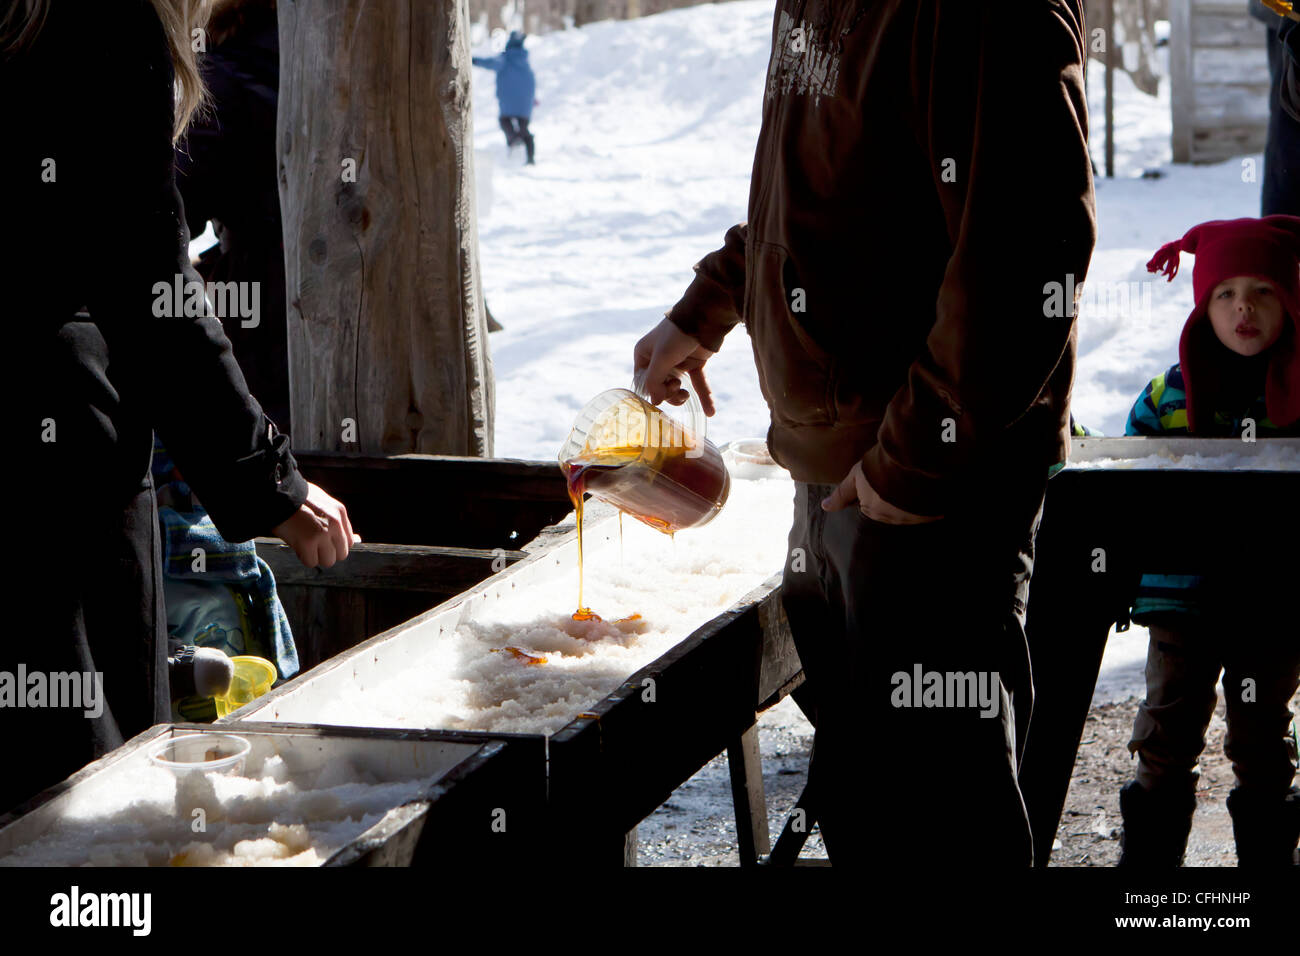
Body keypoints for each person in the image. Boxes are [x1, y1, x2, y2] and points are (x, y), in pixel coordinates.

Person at [634, 1, 1096, 865]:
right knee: (867, 806)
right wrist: (710, 305)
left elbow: (1031, 244)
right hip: (839, 471)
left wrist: (918, 462)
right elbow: (821, 192)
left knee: (936, 819)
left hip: (930, 495)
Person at [0, 0, 356, 816]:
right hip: (51, 480)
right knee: (78, 808)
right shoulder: (93, 21)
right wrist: (271, 484)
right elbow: (149, 284)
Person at [1118, 215, 1300, 867]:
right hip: (1182, 607)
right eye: (1225, 292)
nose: (1243, 307)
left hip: (1274, 607)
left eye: (1263, 291)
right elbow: (1129, 488)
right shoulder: (1167, 399)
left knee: (1261, 744)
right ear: (1203, 303)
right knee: (1166, 733)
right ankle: (1147, 877)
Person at [176, 0, 292, 434]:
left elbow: (163, 213)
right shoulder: (307, 53)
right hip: (330, 293)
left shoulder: (224, 77)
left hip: (263, 310)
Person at [472, 31, 536, 165]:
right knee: (523, 126)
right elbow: (529, 79)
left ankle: (514, 141)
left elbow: (491, 63)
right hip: (526, 99)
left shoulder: (506, 58)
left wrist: (473, 60)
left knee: (504, 121)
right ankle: (530, 158)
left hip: (509, 99)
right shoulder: (524, 59)